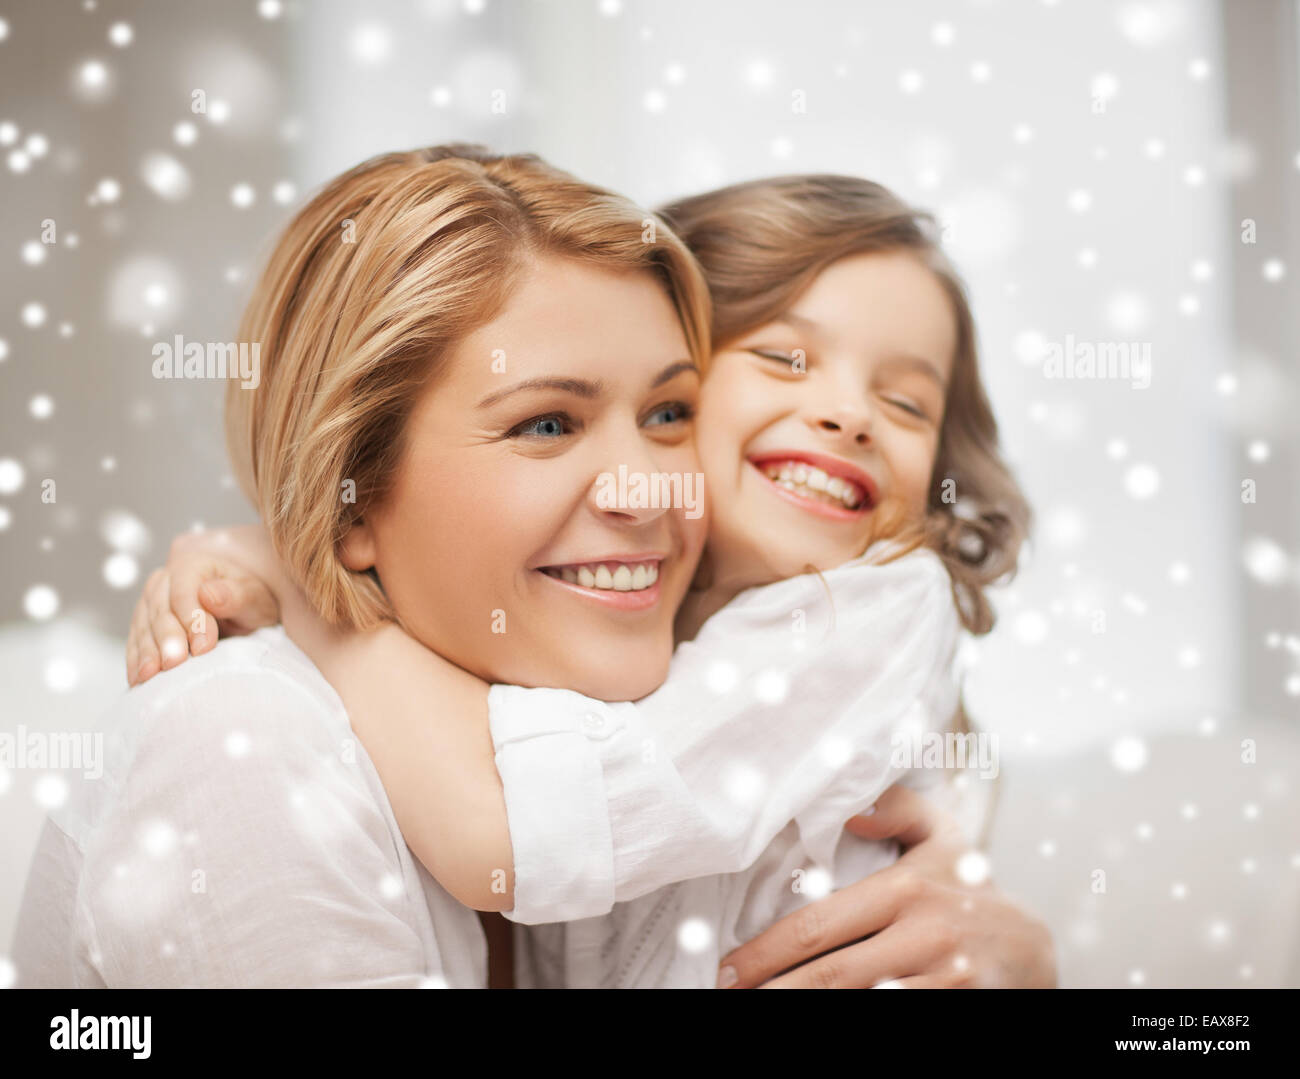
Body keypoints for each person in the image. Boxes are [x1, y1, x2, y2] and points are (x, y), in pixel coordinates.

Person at [117, 150, 1054, 987]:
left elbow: (505, 837)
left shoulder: (859, 611)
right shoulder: (247, 740)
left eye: (665, 413)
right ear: (352, 491)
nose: (643, 490)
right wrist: (299, 563)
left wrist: (291, 577)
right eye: (548, 423)